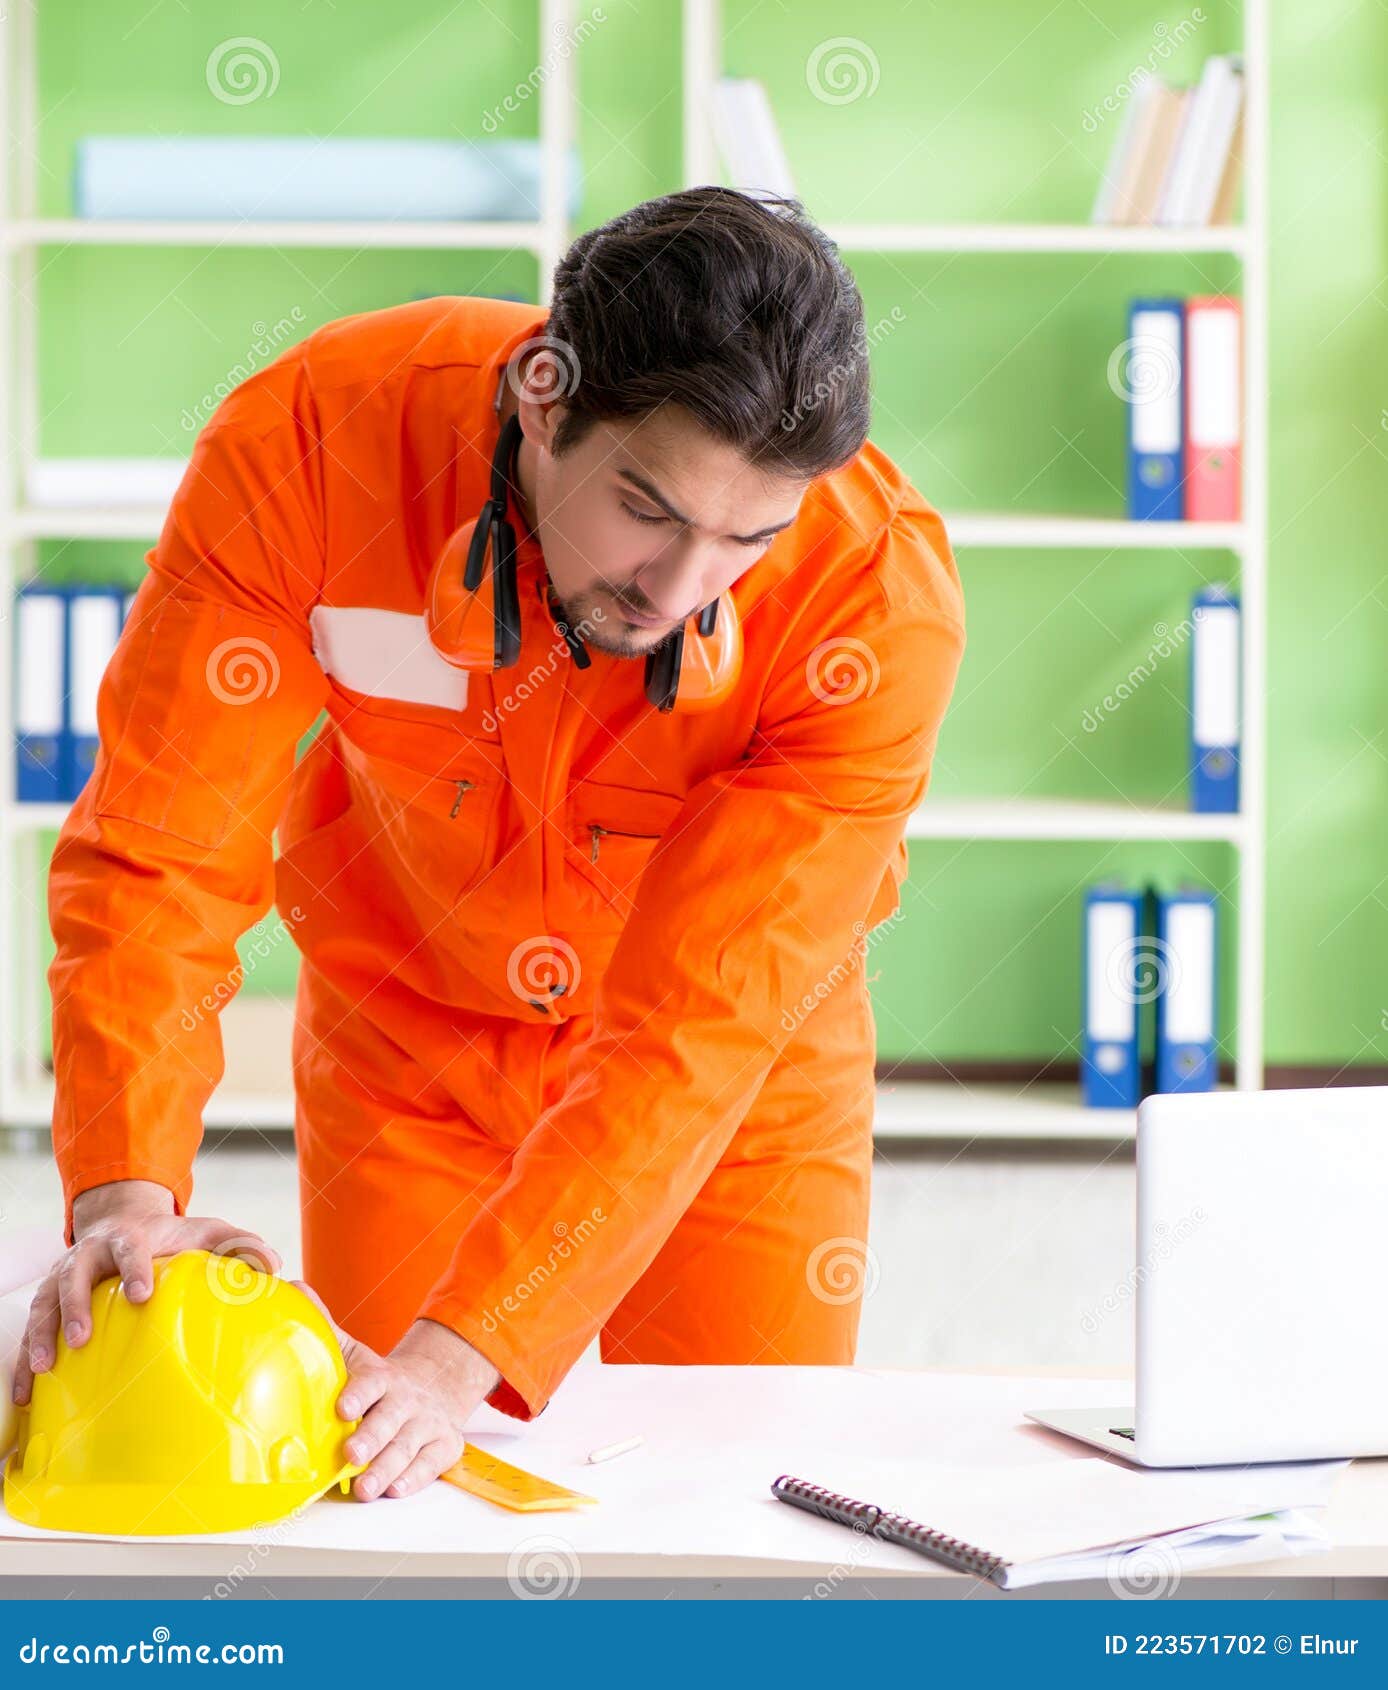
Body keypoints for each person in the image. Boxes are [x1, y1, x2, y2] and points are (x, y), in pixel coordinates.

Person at [13, 187, 965, 1504]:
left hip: (726, 1097)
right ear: (540, 392)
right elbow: (160, 848)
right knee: (387, 1491)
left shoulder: (872, 601)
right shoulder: (311, 442)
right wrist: (123, 1192)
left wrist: (470, 1354)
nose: (681, 589)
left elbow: (702, 1020)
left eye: (746, 539)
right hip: (407, 1057)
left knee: (739, 1502)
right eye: (646, 507)